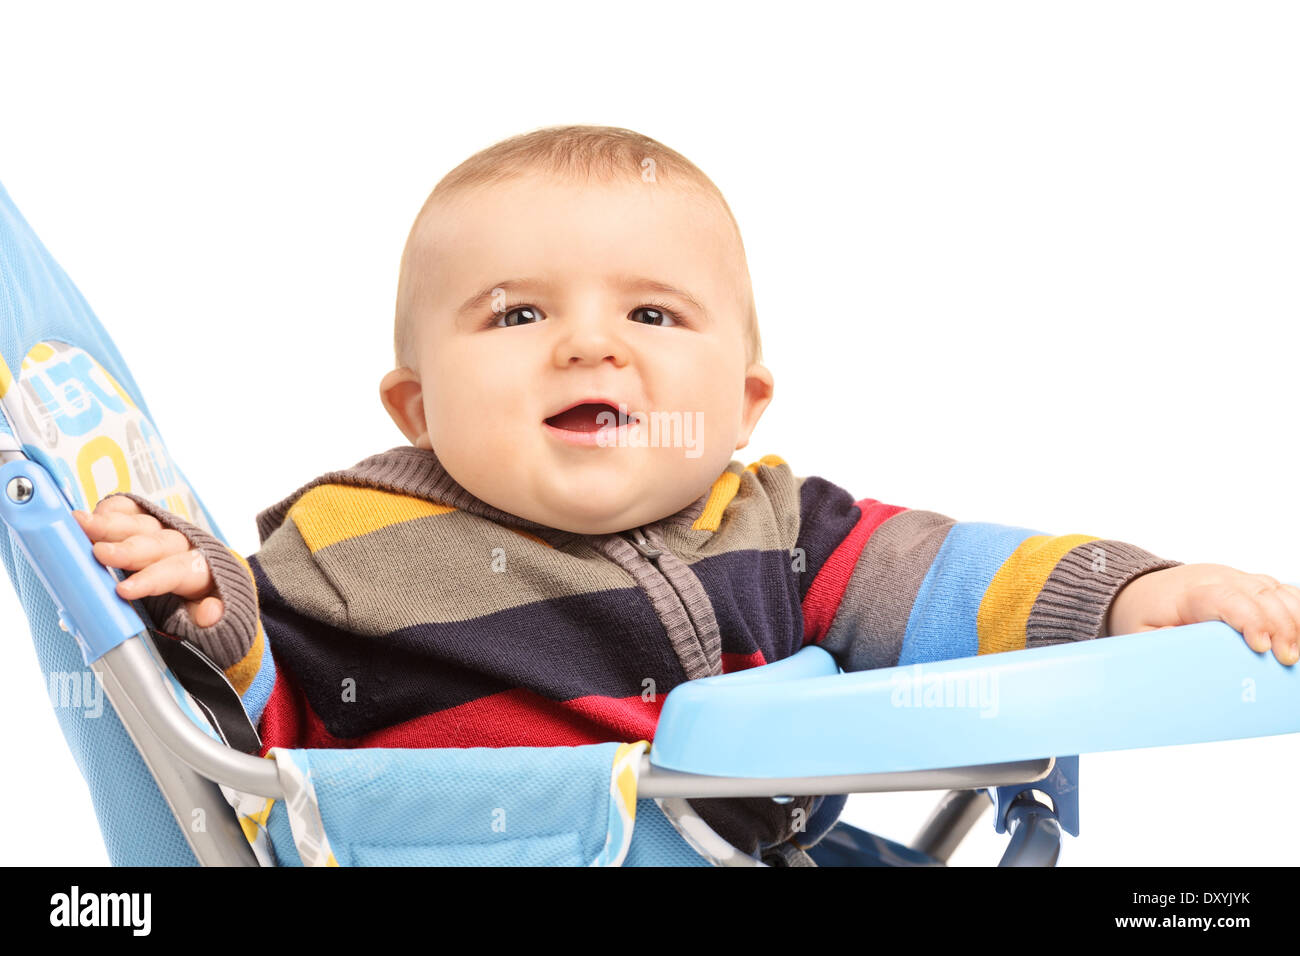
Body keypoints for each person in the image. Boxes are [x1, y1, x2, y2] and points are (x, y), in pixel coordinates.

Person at [73, 124, 1300, 864]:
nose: (588, 345)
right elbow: (267, 719)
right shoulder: (356, 539)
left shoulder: (772, 525)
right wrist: (205, 602)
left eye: (651, 312)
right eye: (517, 313)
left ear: (743, 401)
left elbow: (948, 581)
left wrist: (1130, 590)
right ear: (417, 408)